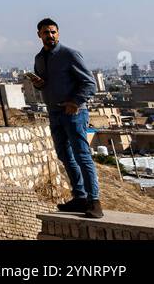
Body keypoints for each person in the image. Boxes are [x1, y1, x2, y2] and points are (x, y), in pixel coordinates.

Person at [29, 18, 103, 218]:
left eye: (53, 32)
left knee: (82, 155)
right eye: (46, 32)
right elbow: (45, 84)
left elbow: (89, 83)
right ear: (39, 35)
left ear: (58, 33)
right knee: (64, 155)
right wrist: (38, 83)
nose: (50, 36)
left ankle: (94, 200)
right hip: (54, 113)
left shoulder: (69, 55)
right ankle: (80, 197)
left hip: (74, 113)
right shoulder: (39, 58)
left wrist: (75, 102)